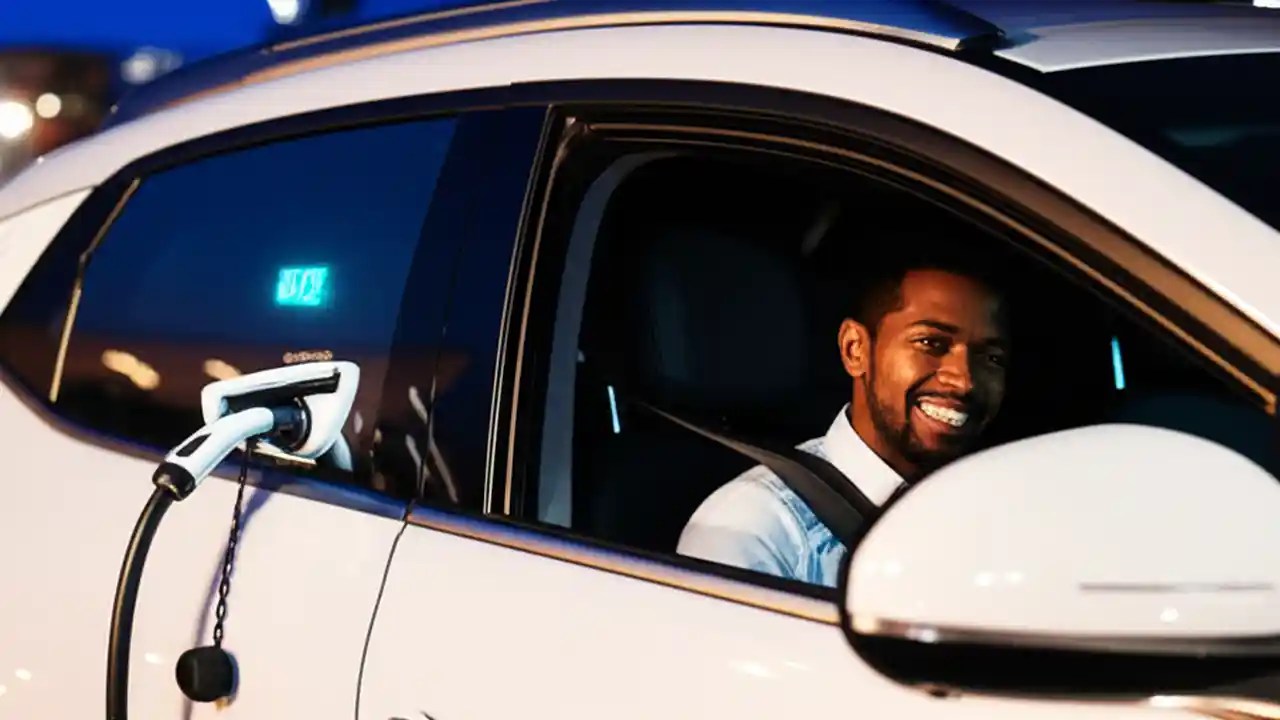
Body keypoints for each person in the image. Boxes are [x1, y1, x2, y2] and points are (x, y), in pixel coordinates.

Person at [677, 251, 1012, 587]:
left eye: (991, 357)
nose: (965, 381)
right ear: (856, 350)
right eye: (931, 343)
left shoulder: (997, 516)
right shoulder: (754, 529)